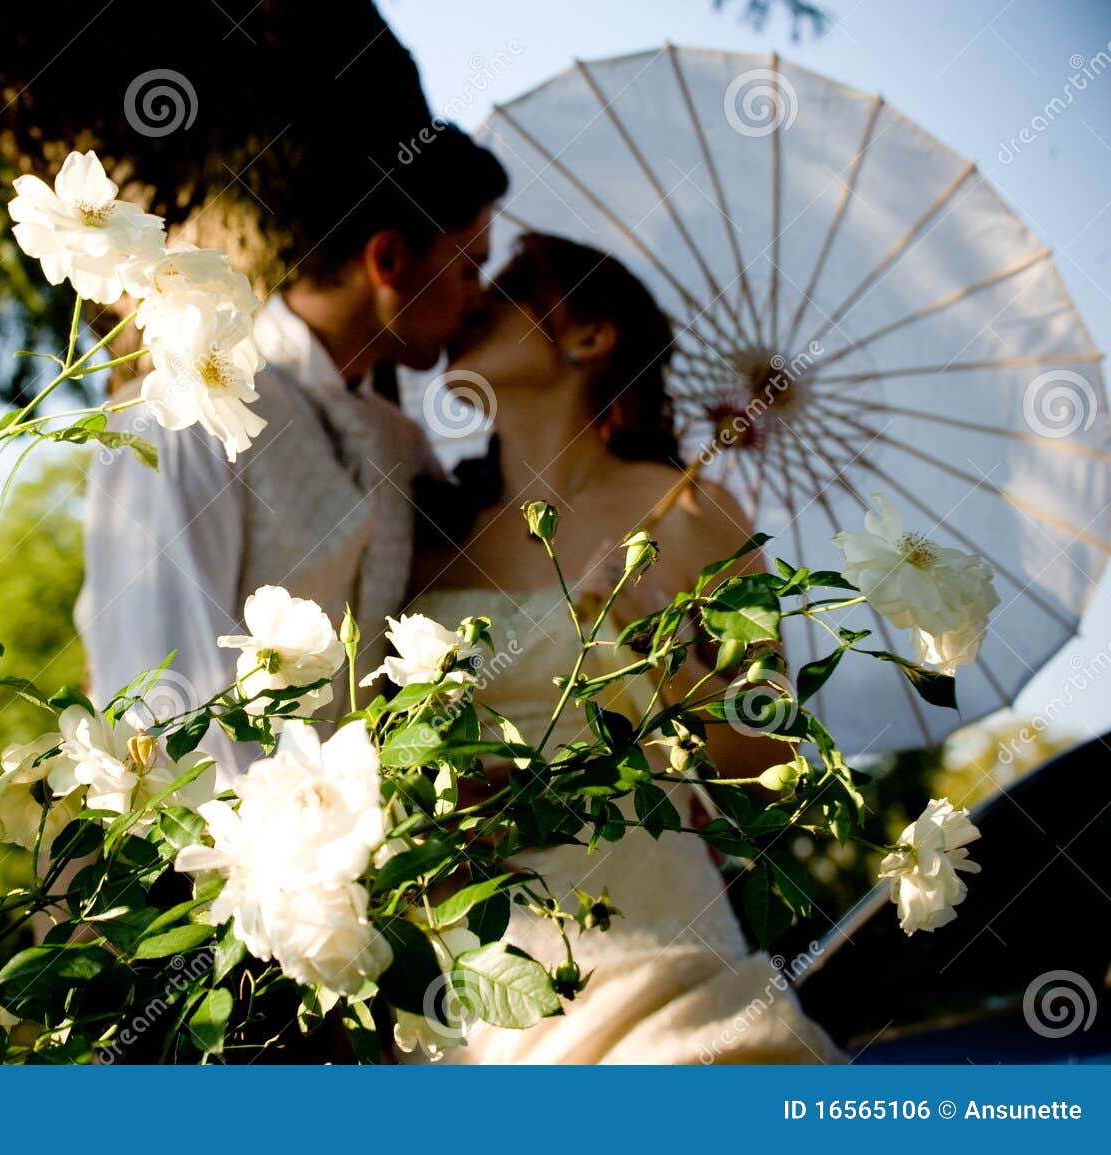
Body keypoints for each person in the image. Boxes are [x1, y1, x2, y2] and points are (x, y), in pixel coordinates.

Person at [404, 233, 846, 1064]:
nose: (471, 302)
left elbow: (769, 745)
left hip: (654, 955)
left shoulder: (688, 511)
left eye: (504, 290)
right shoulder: (427, 540)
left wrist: (659, 655)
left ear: (587, 337)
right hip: (478, 981)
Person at [76, 125, 508, 781]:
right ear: (389, 260)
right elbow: (160, 695)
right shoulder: (177, 412)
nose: (481, 298)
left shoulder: (402, 443)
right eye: (468, 266)